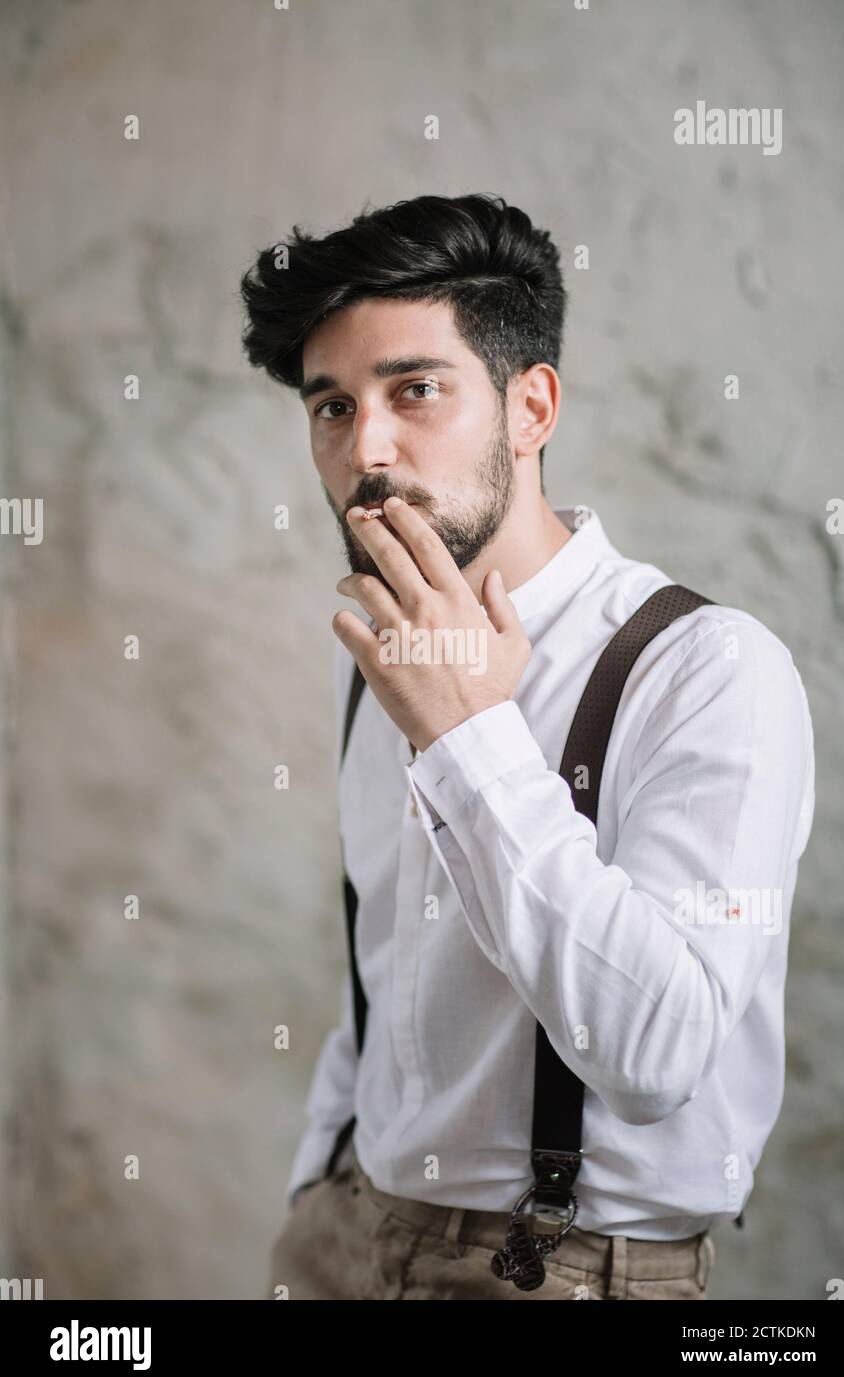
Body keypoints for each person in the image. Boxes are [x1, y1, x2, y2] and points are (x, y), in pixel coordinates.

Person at [239, 193, 815, 1300]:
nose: (367, 448)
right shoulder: (373, 656)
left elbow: (654, 1052)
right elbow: (386, 983)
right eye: (329, 406)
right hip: (344, 1243)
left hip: (555, 1270)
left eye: (415, 390)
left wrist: (468, 734)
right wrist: (319, 1186)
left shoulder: (706, 671)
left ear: (529, 406)